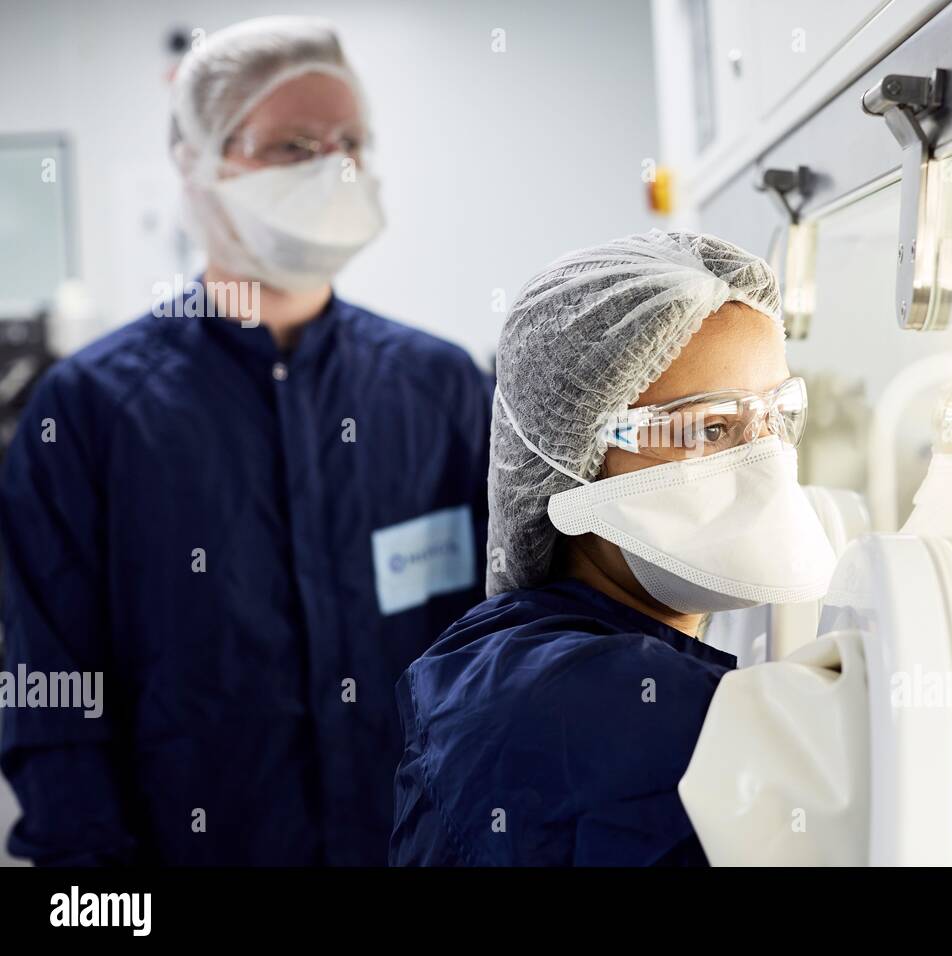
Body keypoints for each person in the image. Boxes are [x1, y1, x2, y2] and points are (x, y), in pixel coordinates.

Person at [0, 17, 491, 865]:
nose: (332, 166)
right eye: (294, 145)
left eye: (351, 141)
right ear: (199, 163)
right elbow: (55, 705)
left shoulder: (440, 387)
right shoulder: (90, 413)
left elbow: (507, 646)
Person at [389, 231, 837, 866]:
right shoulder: (569, 695)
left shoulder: (548, 649)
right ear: (573, 460)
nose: (762, 456)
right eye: (711, 427)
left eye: (776, 415)